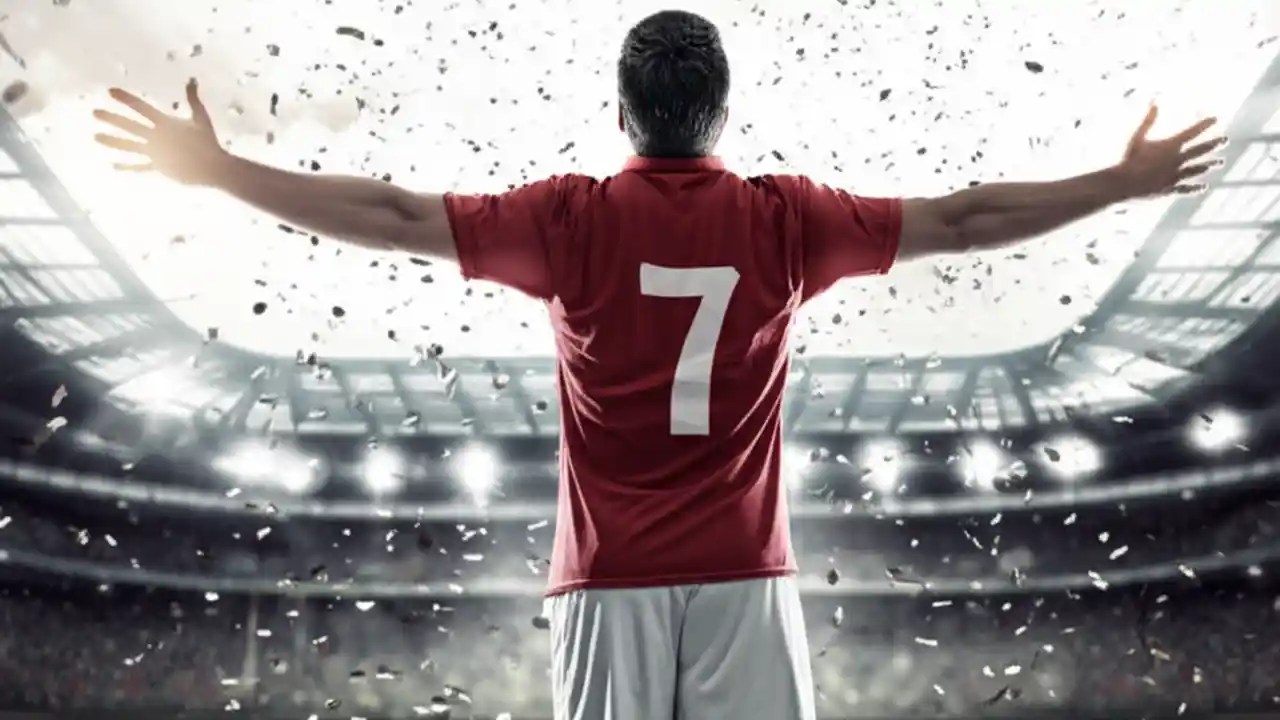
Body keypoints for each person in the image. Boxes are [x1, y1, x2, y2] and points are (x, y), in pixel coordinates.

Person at [93, 9, 1226, 719]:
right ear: (721, 113)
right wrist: (1115, 184)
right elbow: (968, 220)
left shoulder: (567, 220)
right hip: (746, 576)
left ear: (621, 113)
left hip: (606, 583)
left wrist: (224, 171)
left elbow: (391, 214)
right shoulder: (785, 220)